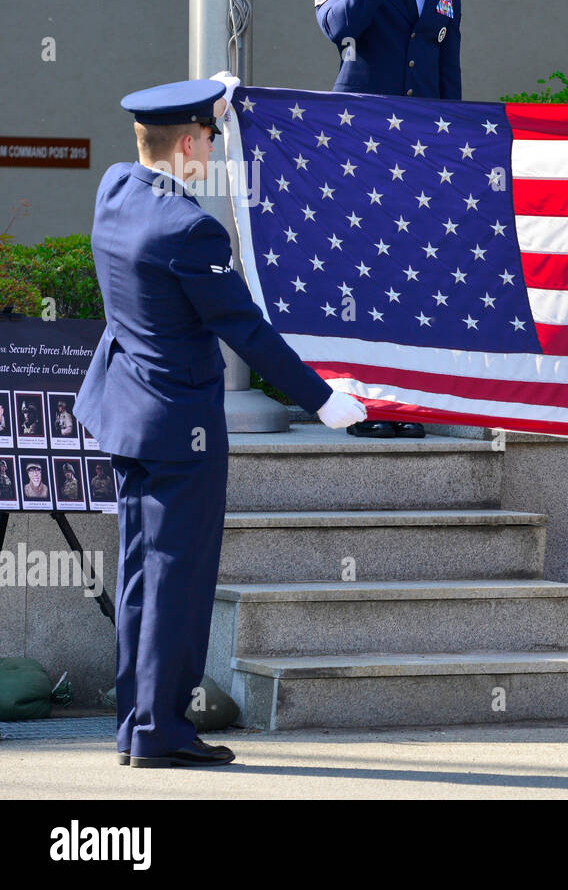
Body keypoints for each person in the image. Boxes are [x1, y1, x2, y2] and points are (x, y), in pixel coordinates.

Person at [73, 79, 367, 769]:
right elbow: (244, 329)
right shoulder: (191, 230)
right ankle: (162, 731)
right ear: (186, 142)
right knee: (179, 578)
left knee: (144, 573)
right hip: (180, 427)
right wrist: (321, 400)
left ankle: (138, 723)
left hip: (129, 417)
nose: (216, 146)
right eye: (210, 135)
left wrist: (215, 99)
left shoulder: (116, 190)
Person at [313, 0, 462, 439]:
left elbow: (447, 73)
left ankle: (404, 401)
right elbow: (339, 24)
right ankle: (357, 399)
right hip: (362, 149)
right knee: (362, 272)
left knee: (413, 270)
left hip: (420, 150)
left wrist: (452, 145)